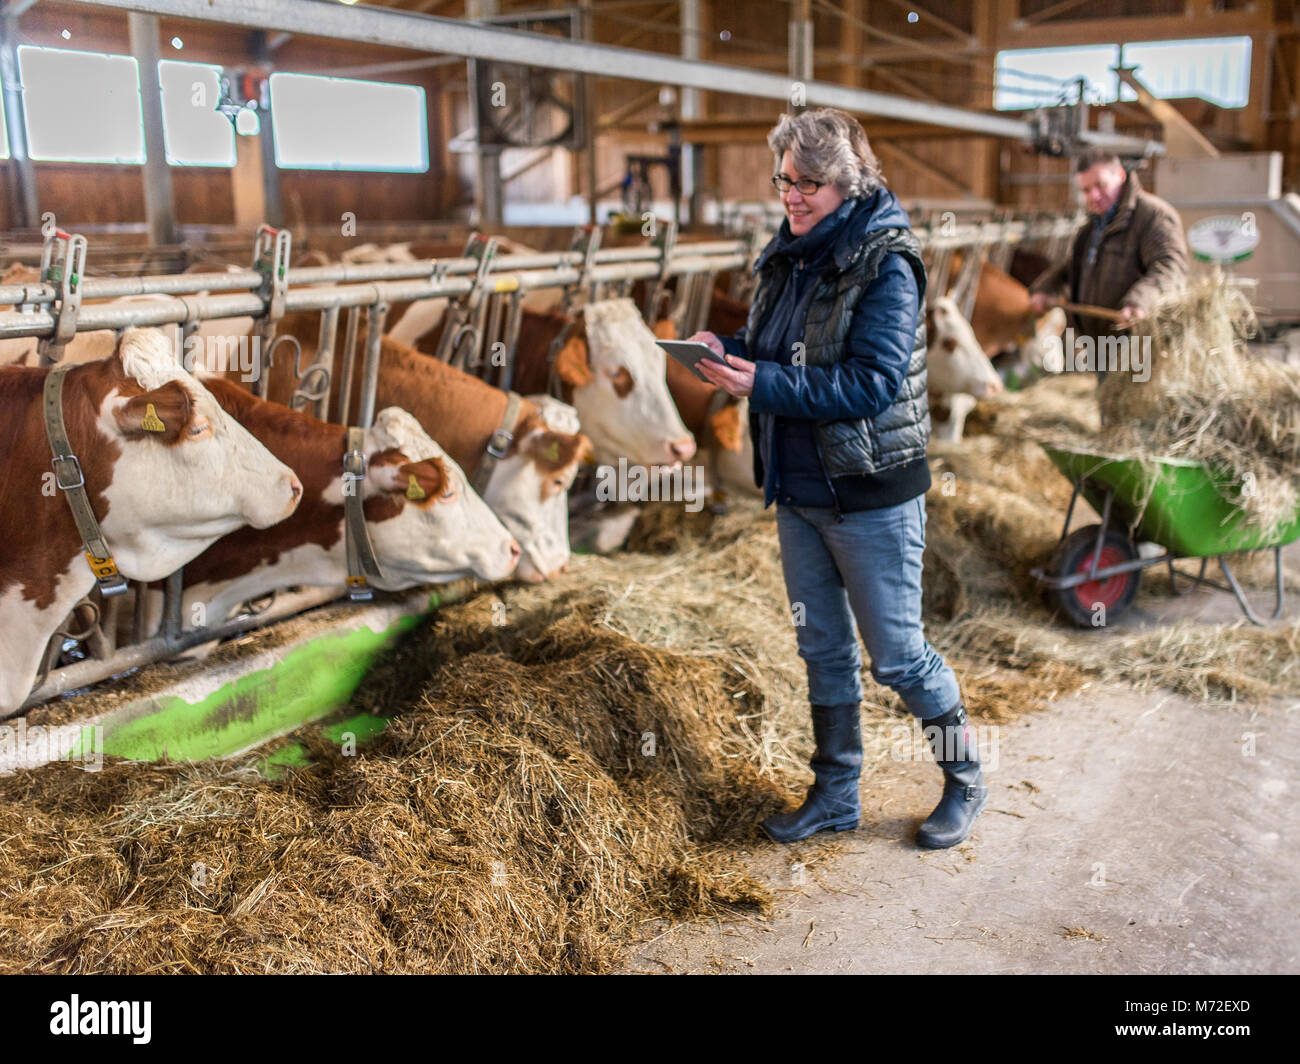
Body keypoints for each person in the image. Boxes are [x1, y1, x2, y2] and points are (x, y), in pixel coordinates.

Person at [691, 107, 985, 849]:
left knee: (898, 657)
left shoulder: (885, 264)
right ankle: (835, 792)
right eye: (784, 179)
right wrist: (722, 349)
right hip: (796, 489)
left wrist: (758, 381)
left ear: (848, 186)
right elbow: (776, 350)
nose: (791, 195)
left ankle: (965, 778)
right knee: (820, 648)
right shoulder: (788, 254)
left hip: (869, 495)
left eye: (809, 183)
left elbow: (871, 384)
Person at [1029, 148, 1188, 371]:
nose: (1094, 196)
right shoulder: (1091, 228)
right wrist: (1047, 288)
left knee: (1134, 404)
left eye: (1101, 186)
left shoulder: (1153, 216)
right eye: (1086, 190)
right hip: (1100, 347)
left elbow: (1170, 267)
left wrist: (1139, 301)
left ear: (1120, 176)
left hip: (1139, 347)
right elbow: (1074, 267)